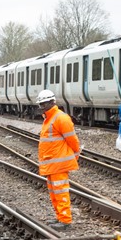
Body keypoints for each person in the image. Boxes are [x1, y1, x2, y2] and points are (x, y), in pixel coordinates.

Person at [36, 89, 80, 230]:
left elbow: (73, 140)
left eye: (44, 104)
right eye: (40, 104)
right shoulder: (49, 118)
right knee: (55, 193)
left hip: (58, 164)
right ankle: (60, 218)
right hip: (51, 164)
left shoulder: (61, 118)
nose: (42, 107)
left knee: (60, 192)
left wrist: (75, 154)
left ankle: (65, 220)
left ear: (52, 102)